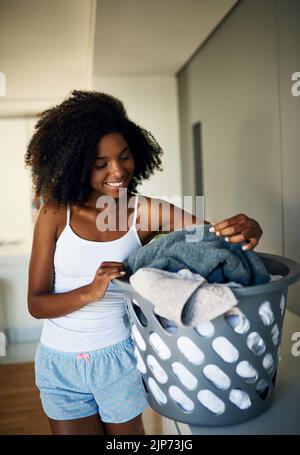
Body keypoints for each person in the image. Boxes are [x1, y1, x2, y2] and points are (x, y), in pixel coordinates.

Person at [25, 90, 263, 435]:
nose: (118, 171)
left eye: (124, 157)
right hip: (59, 364)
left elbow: (216, 239)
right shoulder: (54, 213)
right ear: (74, 163)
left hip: (120, 359)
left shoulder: (143, 212)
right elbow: (36, 303)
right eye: (100, 163)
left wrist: (248, 228)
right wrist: (90, 292)